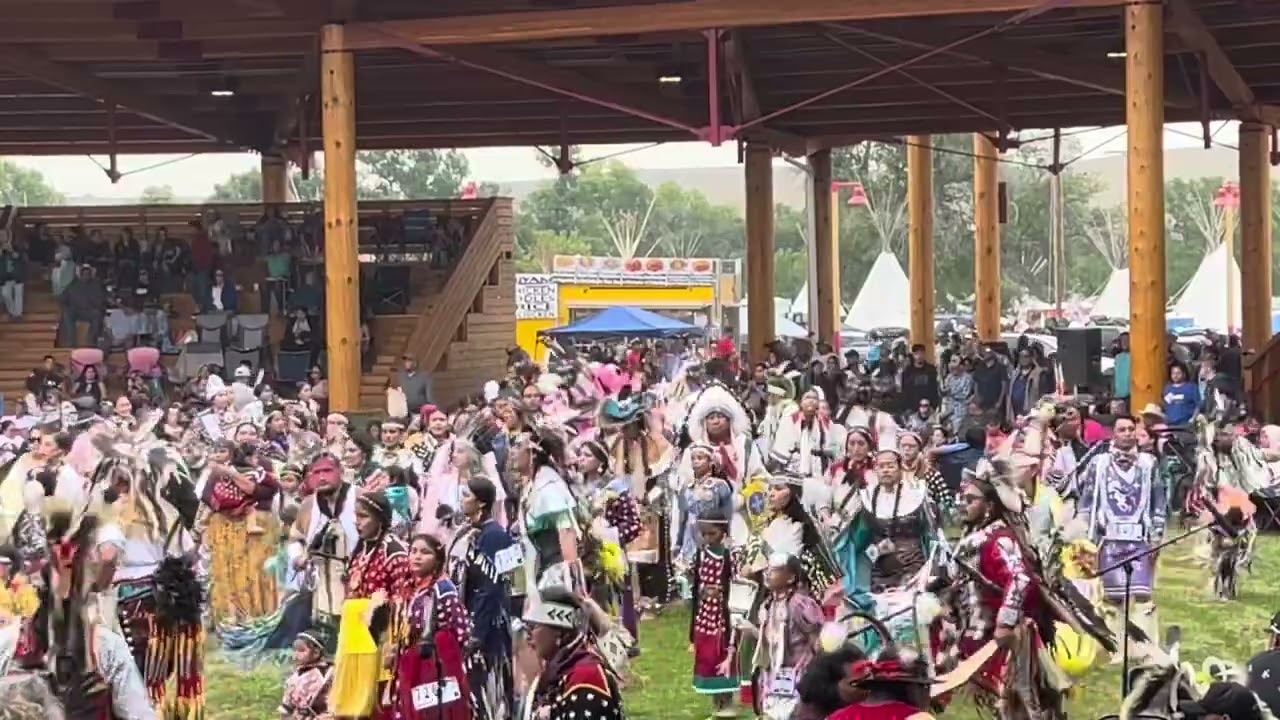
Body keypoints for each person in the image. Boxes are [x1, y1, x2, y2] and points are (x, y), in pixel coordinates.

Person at [1076, 415, 1165, 647]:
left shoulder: (1149, 463)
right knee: (1112, 596)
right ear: (1112, 434)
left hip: (1139, 537)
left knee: (1143, 595)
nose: (1127, 433)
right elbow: (1086, 501)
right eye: (1121, 429)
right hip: (1108, 539)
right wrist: (1085, 536)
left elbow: (1159, 501)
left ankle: (1144, 645)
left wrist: (1157, 534)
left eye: (1130, 429)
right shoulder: (1099, 463)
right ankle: (1114, 644)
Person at [448, 476, 520, 720]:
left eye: (467, 496)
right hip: (470, 617)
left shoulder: (495, 536)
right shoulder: (468, 531)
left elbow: (496, 586)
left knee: (490, 687)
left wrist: (478, 631)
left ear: (481, 503)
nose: (462, 500)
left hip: (489, 625)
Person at [391, 533, 474, 720]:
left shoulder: (443, 590)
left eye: (424, 552)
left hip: (434, 670)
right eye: (413, 551)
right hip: (410, 667)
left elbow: (459, 633)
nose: (417, 556)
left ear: (437, 561)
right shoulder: (410, 590)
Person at [520, 586, 626, 720]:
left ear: (558, 630)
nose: (528, 636)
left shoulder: (586, 677)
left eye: (533, 627)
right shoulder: (555, 672)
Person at [689, 508, 739, 717]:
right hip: (705, 614)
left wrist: (723, 596)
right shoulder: (700, 555)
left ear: (724, 532)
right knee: (707, 655)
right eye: (705, 534)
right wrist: (703, 593)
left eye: (713, 533)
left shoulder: (730, 555)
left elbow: (735, 583)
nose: (708, 538)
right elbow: (696, 587)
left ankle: (727, 700)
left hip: (723, 615)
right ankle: (716, 701)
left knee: (723, 652)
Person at [278, 632, 332, 719]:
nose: (296, 654)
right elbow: (287, 706)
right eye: (295, 650)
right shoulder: (296, 675)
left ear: (316, 653)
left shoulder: (326, 675)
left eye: (301, 650)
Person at [1163, 361, 1201, 426]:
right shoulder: (1167, 388)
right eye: (1173, 373)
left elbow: (1198, 405)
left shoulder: (1191, 387)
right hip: (1170, 425)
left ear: (1184, 374)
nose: (1175, 375)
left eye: (1178, 373)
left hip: (1186, 424)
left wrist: (1193, 419)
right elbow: (1165, 405)